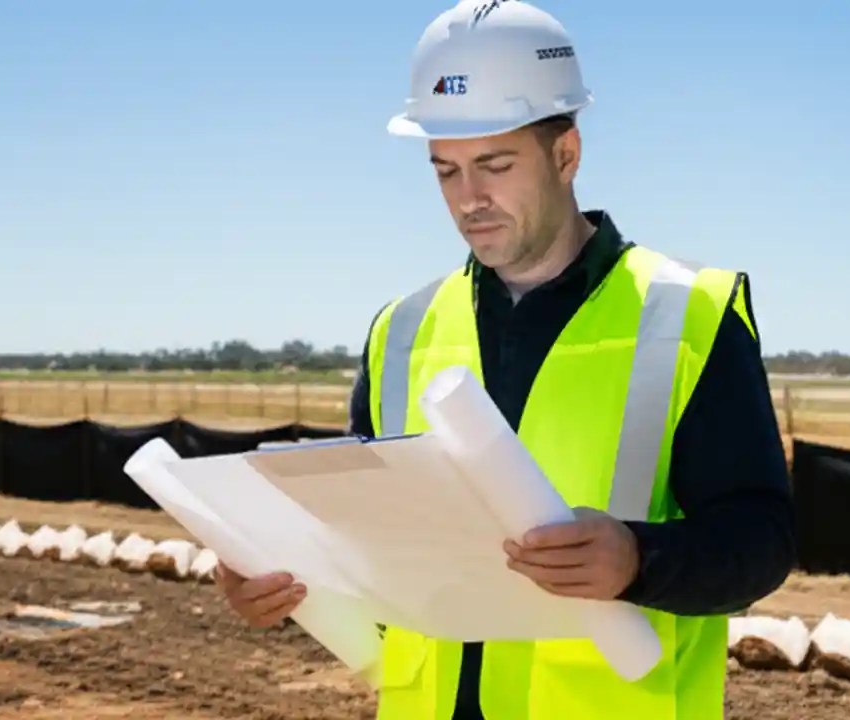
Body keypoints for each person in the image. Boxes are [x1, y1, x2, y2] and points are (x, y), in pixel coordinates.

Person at [216, 2, 796, 718]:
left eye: (494, 164)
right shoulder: (401, 331)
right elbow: (380, 555)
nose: (470, 199)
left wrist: (637, 560)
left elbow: (761, 541)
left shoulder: (687, 315)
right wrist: (287, 578)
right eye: (446, 171)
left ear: (566, 153)